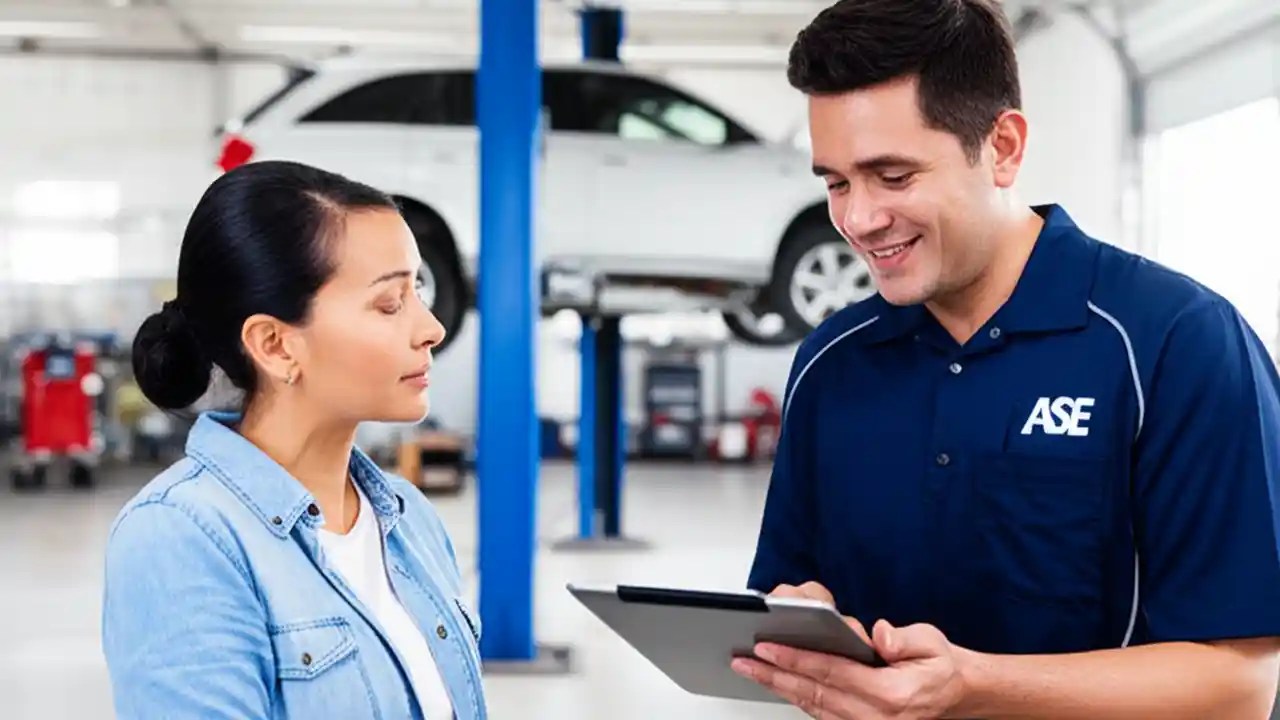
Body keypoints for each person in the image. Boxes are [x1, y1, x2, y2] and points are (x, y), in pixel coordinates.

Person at [733, 1, 1280, 718]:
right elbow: (786, 593)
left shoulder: (1178, 344)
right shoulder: (831, 364)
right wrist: (799, 616)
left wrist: (972, 686)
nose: (858, 219)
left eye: (892, 176)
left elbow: (1239, 688)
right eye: (836, 182)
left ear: (1004, 148)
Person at [101, 160, 486, 719]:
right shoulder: (181, 538)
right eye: (389, 303)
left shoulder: (410, 521)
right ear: (276, 345)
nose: (431, 329)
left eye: (419, 290)